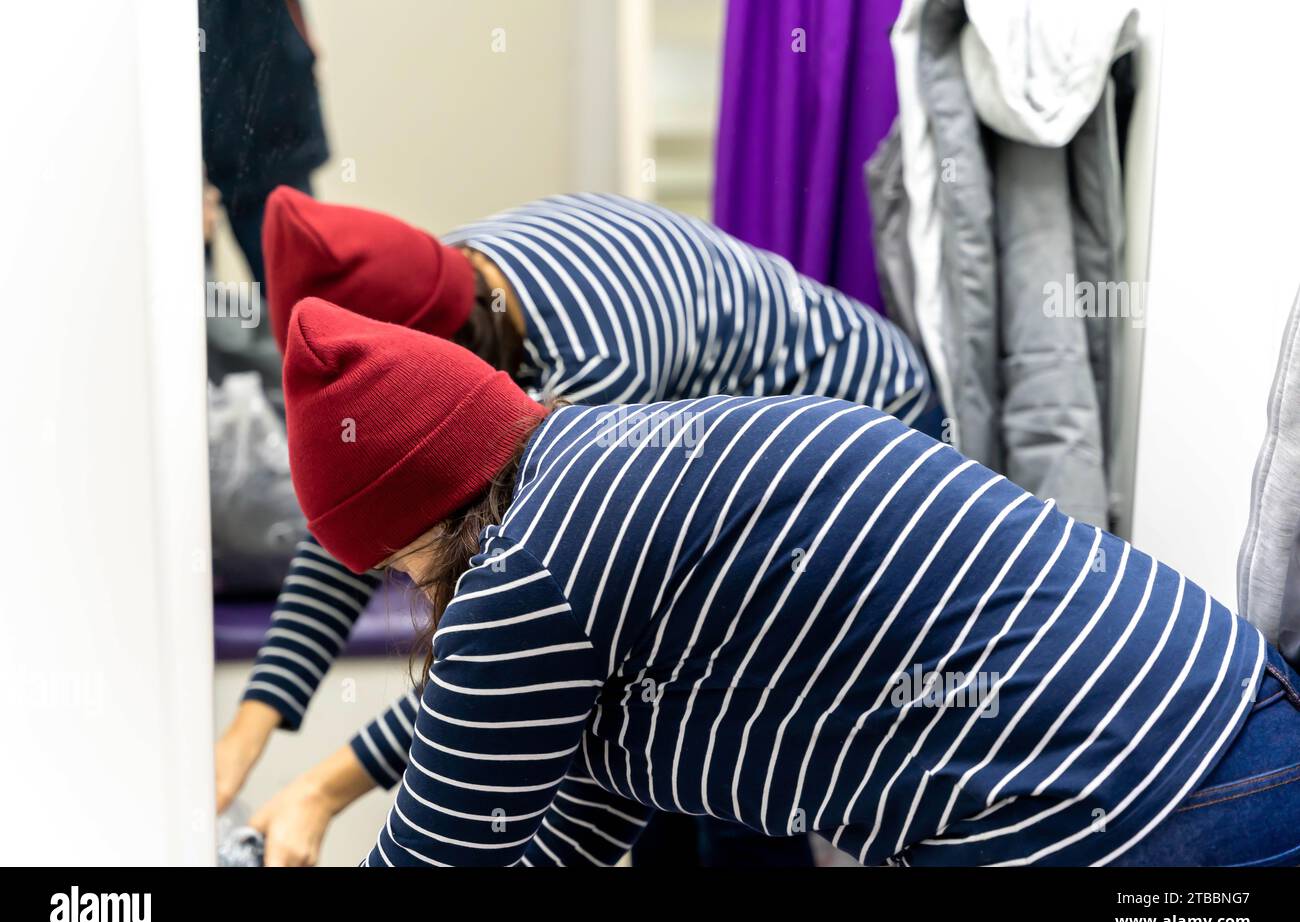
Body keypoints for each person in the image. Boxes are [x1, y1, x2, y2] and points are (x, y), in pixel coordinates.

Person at [278, 297, 1299, 867]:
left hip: (1126, 801)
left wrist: (323, 796)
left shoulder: (527, 569)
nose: (415, 596)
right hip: (1235, 721)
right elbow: (549, 827)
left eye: (398, 566)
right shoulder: (611, 465)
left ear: (426, 518)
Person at [218, 189, 941, 865]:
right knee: (633, 749)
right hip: (776, 462)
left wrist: (324, 787)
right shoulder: (435, 283)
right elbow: (362, 520)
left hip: (867, 436)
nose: (401, 580)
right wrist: (247, 733)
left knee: (722, 759)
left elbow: (510, 669)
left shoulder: (596, 374)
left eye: (400, 567)